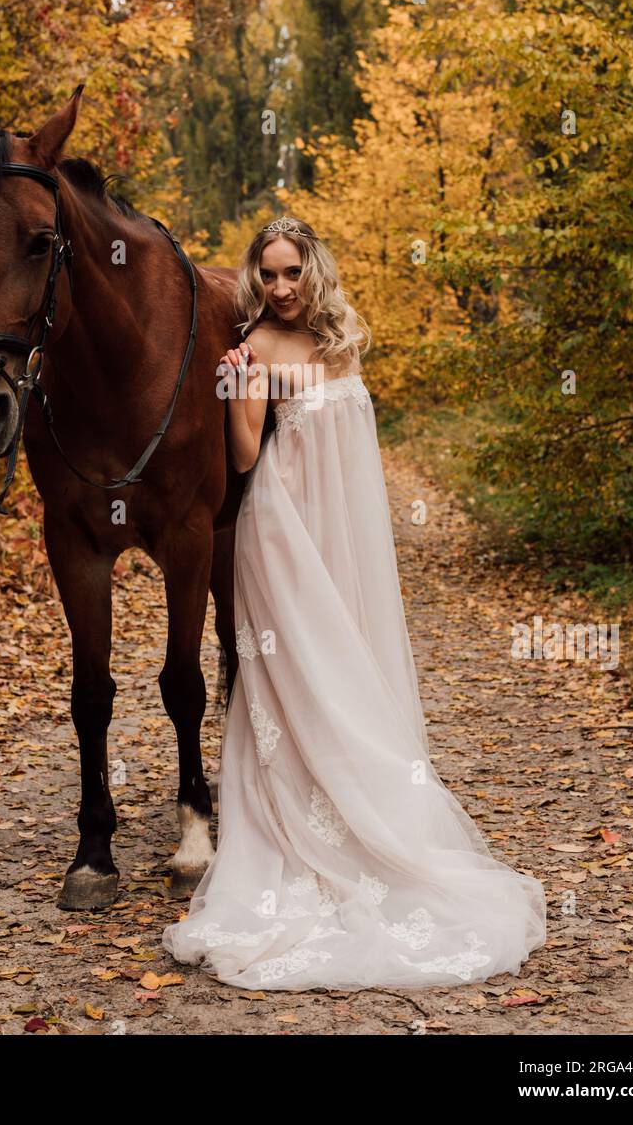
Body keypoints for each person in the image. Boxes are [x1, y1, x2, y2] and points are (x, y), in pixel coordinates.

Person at [160, 215, 547, 990]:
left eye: (291, 272)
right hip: (281, 528)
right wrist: (237, 387)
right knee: (297, 675)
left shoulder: (344, 339)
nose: (279, 288)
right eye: (266, 275)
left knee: (353, 664)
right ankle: (292, 832)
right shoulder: (256, 348)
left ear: (313, 271)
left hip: (343, 534)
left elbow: (356, 450)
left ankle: (372, 826)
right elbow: (244, 456)